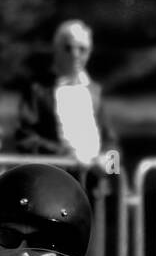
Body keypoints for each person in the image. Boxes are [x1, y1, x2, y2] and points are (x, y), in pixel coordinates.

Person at [15, 19, 117, 194]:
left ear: (90, 52)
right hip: (53, 187)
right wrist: (66, 157)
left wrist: (110, 163)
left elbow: (111, 140)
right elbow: (25, 138)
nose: (75, 55)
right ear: (56, 49)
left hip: (95, 188)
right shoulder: (37, 90)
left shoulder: (95, 91)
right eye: (68, 48)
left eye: (82, 49)